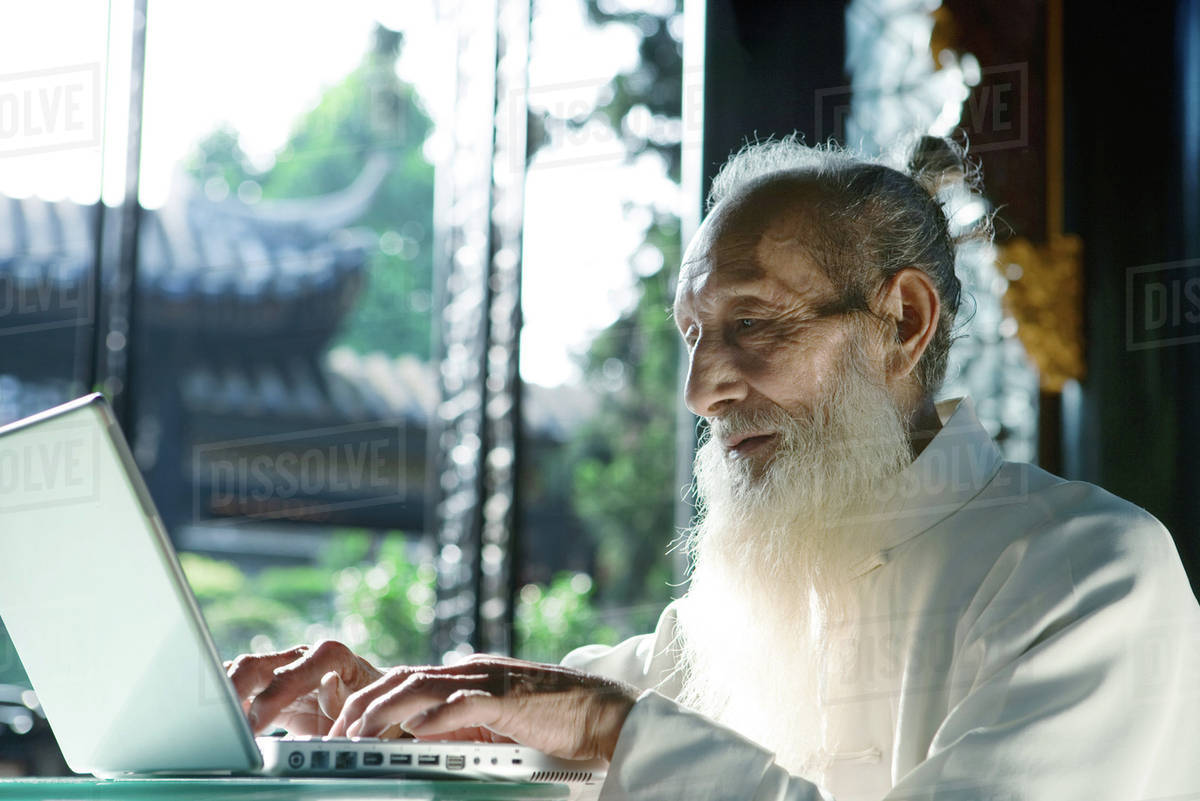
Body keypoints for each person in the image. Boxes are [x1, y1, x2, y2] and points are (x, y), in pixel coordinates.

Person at [227, 135, 1200, 800]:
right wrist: (376, 714)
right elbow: (539, 720)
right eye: (693, 335)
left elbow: (603, 728)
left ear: (902, 321)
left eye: (750, 326)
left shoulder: (1091, 572)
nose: (702, 388)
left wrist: (618, 737)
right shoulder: (720, 624)